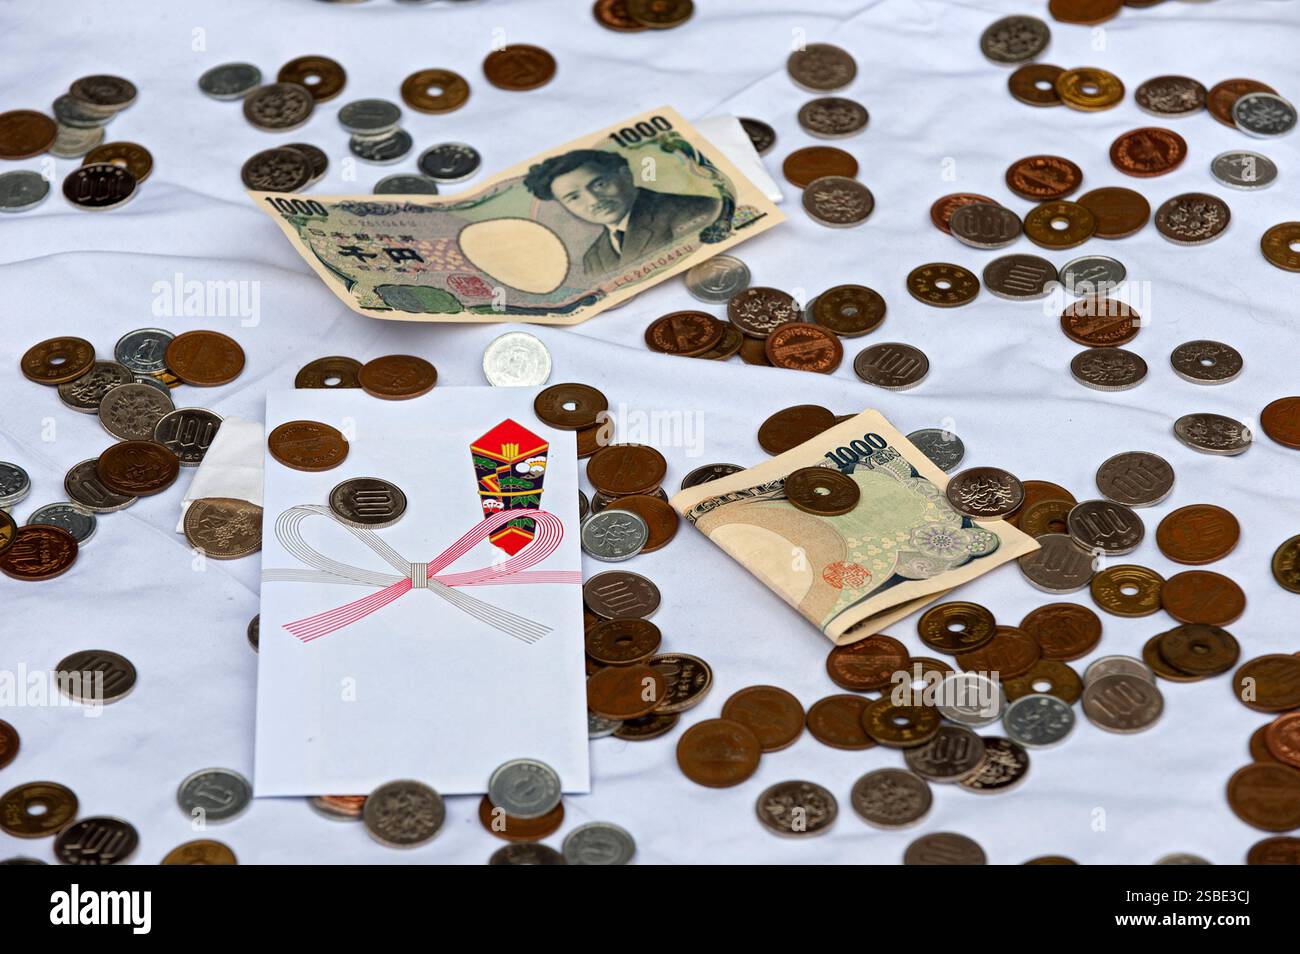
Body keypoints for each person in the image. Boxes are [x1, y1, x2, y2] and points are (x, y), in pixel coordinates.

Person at [523, 148, 719, 276]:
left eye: (599, 184)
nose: (594, 201)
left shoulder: (691, 210)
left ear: (625, 175)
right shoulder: (594, 258)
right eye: (574, 198)